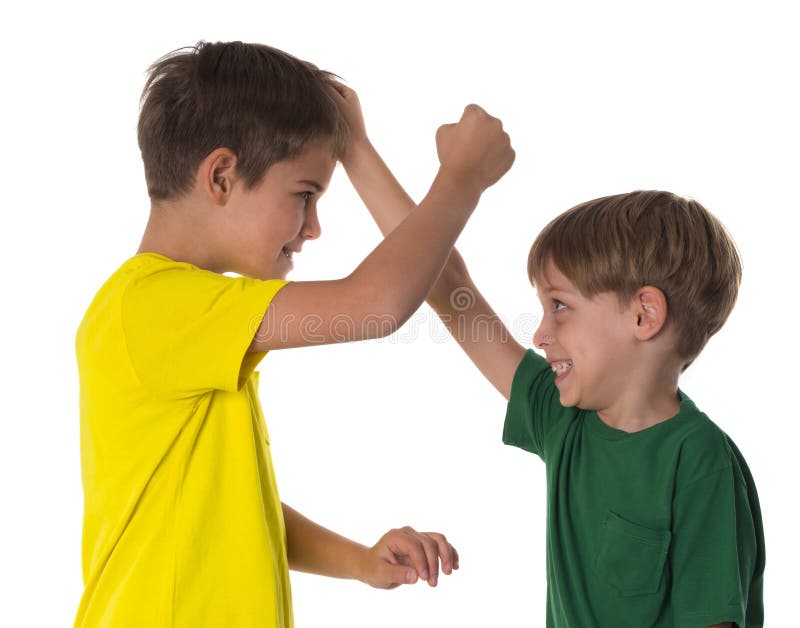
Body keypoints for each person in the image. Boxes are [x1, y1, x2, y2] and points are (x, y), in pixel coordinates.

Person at [73, 41, 514, 628]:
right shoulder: (153, 304)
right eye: (305, 195)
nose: (313, 227)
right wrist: (460, 179)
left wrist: (358, 561)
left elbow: (231, 513)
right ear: (222, 175)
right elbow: (375, 306)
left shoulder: (187, 318)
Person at [332, 85, 765, 627]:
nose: (540, 333)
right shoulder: (565, 420)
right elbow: (449, 287)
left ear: (643, 316)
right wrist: (355, 148)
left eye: (560, 306)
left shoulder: (700, 462)